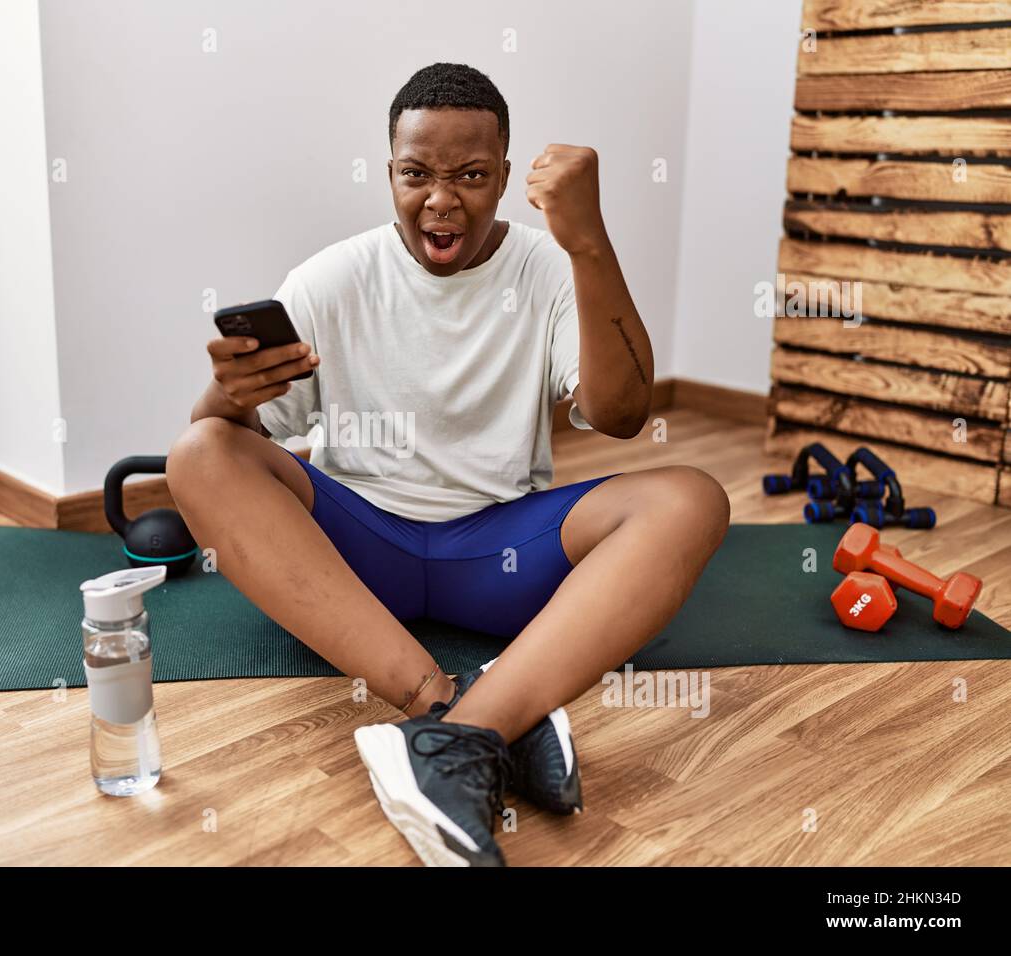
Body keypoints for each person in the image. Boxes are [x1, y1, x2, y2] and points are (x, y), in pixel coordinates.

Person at [167, 63, 729, 866]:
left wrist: (587, 239)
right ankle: (443, 702)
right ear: (388, 172)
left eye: (470, 175)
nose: (441, 198)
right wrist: (226, 395)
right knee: (196, 447)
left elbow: (622, 415)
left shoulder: (548, 268)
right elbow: (219, 461)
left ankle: (460, 736)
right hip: (360, 560)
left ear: (505, 175)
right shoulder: (331, 278)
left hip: (500, 554)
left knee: (693, 498)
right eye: (416, 174)